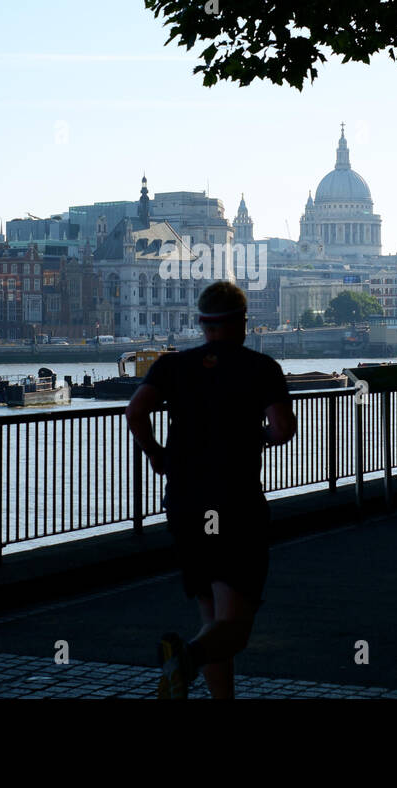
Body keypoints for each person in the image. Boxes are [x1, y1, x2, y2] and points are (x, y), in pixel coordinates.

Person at [125, 281, 296, 699]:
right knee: (235, 627)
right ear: (243, 321)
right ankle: (185, 657)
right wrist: (261, 436)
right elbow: (281, 429)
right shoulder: (261, 368)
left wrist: (156, 455)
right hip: (235, 502)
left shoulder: (171, 366)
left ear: (201, 323)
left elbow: (135, 412)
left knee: (210, 610)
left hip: (185, 501)